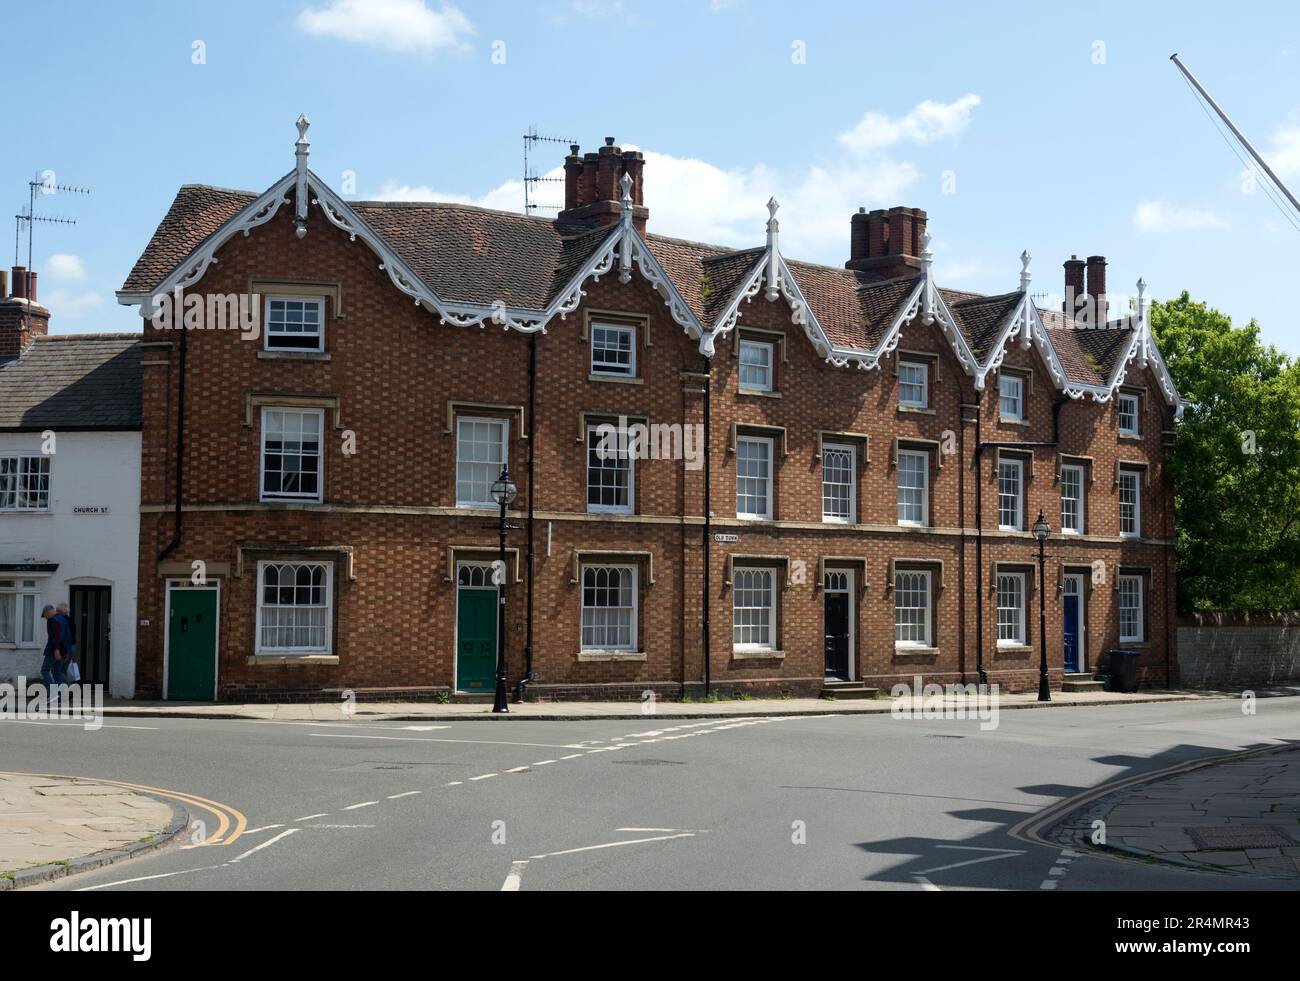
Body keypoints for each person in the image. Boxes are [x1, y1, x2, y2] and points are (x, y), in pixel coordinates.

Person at [40, 604, 66, 707]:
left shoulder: (53, 620)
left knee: (45, 670)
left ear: (49, 612)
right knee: (57, 672)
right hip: (62, 650)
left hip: (54, 650)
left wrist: (56, 650)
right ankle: (59, 698)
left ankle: (54, 695)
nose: (45, 618)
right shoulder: (62, 620)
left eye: (45, 615)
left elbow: (56, 636)